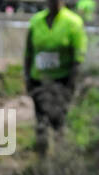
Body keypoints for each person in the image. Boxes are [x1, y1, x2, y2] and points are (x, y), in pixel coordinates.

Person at [24, 0, 87, 154]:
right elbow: (28, 53)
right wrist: (27, 78)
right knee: (41, 124)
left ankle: (61, 159)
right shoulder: (36, 21)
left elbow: (77, 58)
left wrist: (71, 85)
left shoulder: (73, 22)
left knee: (59, 122)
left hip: (62, 81)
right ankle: (41, 160)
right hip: (39, 80)